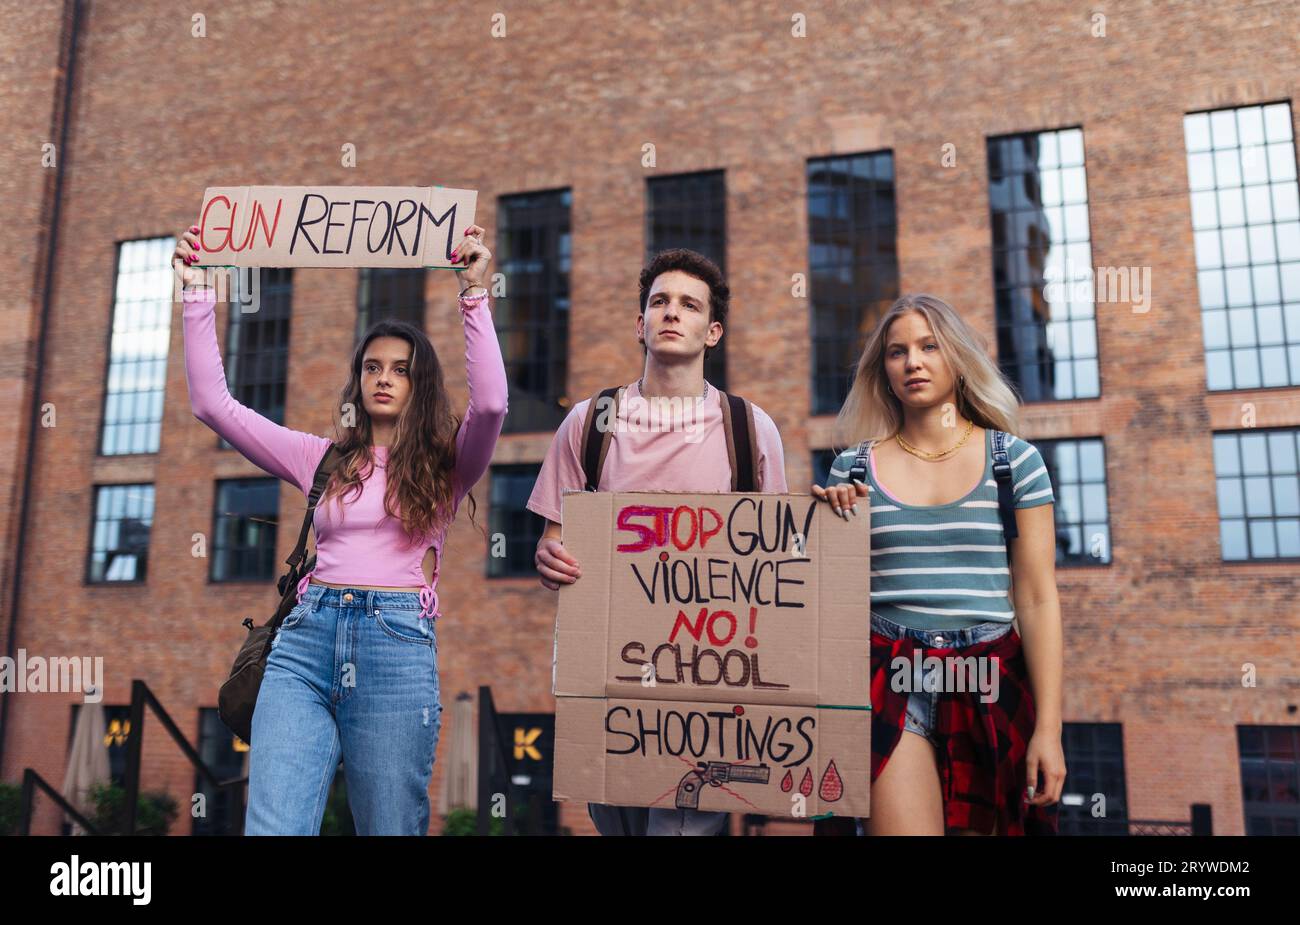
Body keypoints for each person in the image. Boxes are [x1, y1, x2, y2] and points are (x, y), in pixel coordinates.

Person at [174, 222, 507, 835]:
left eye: (401, 369)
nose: (383, 377)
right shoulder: (319, 459)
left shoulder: (448, 466)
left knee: (388, 826)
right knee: (273, 827)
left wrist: (474, 294)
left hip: (395, 648)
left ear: (419, 384)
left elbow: (490, 405)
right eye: (373, 366)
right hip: (304, 643)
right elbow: (213, 405)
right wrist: (197, 292)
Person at [528, 248, 788, 836]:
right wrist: (549, 559)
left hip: (710, 674)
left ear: (712, 331)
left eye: (689, 305)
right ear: (639, 323)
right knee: (614, 820)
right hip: (608, 673)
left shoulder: (750, 430)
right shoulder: (588, 422)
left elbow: (774, 566)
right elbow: (553, 545)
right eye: (659, 302)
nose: (672, 313)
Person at [813, 293, 1065, 835]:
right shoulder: (850, 470)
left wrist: (1050, 728)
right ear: (884, 370)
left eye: (929, 347)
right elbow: (825, 606)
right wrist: (828, 531)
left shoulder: (1013, 463)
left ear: (957, 358)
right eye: (897, 352)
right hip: (887, 676)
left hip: (989, 675)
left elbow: (1039, 599)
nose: (913, 362)